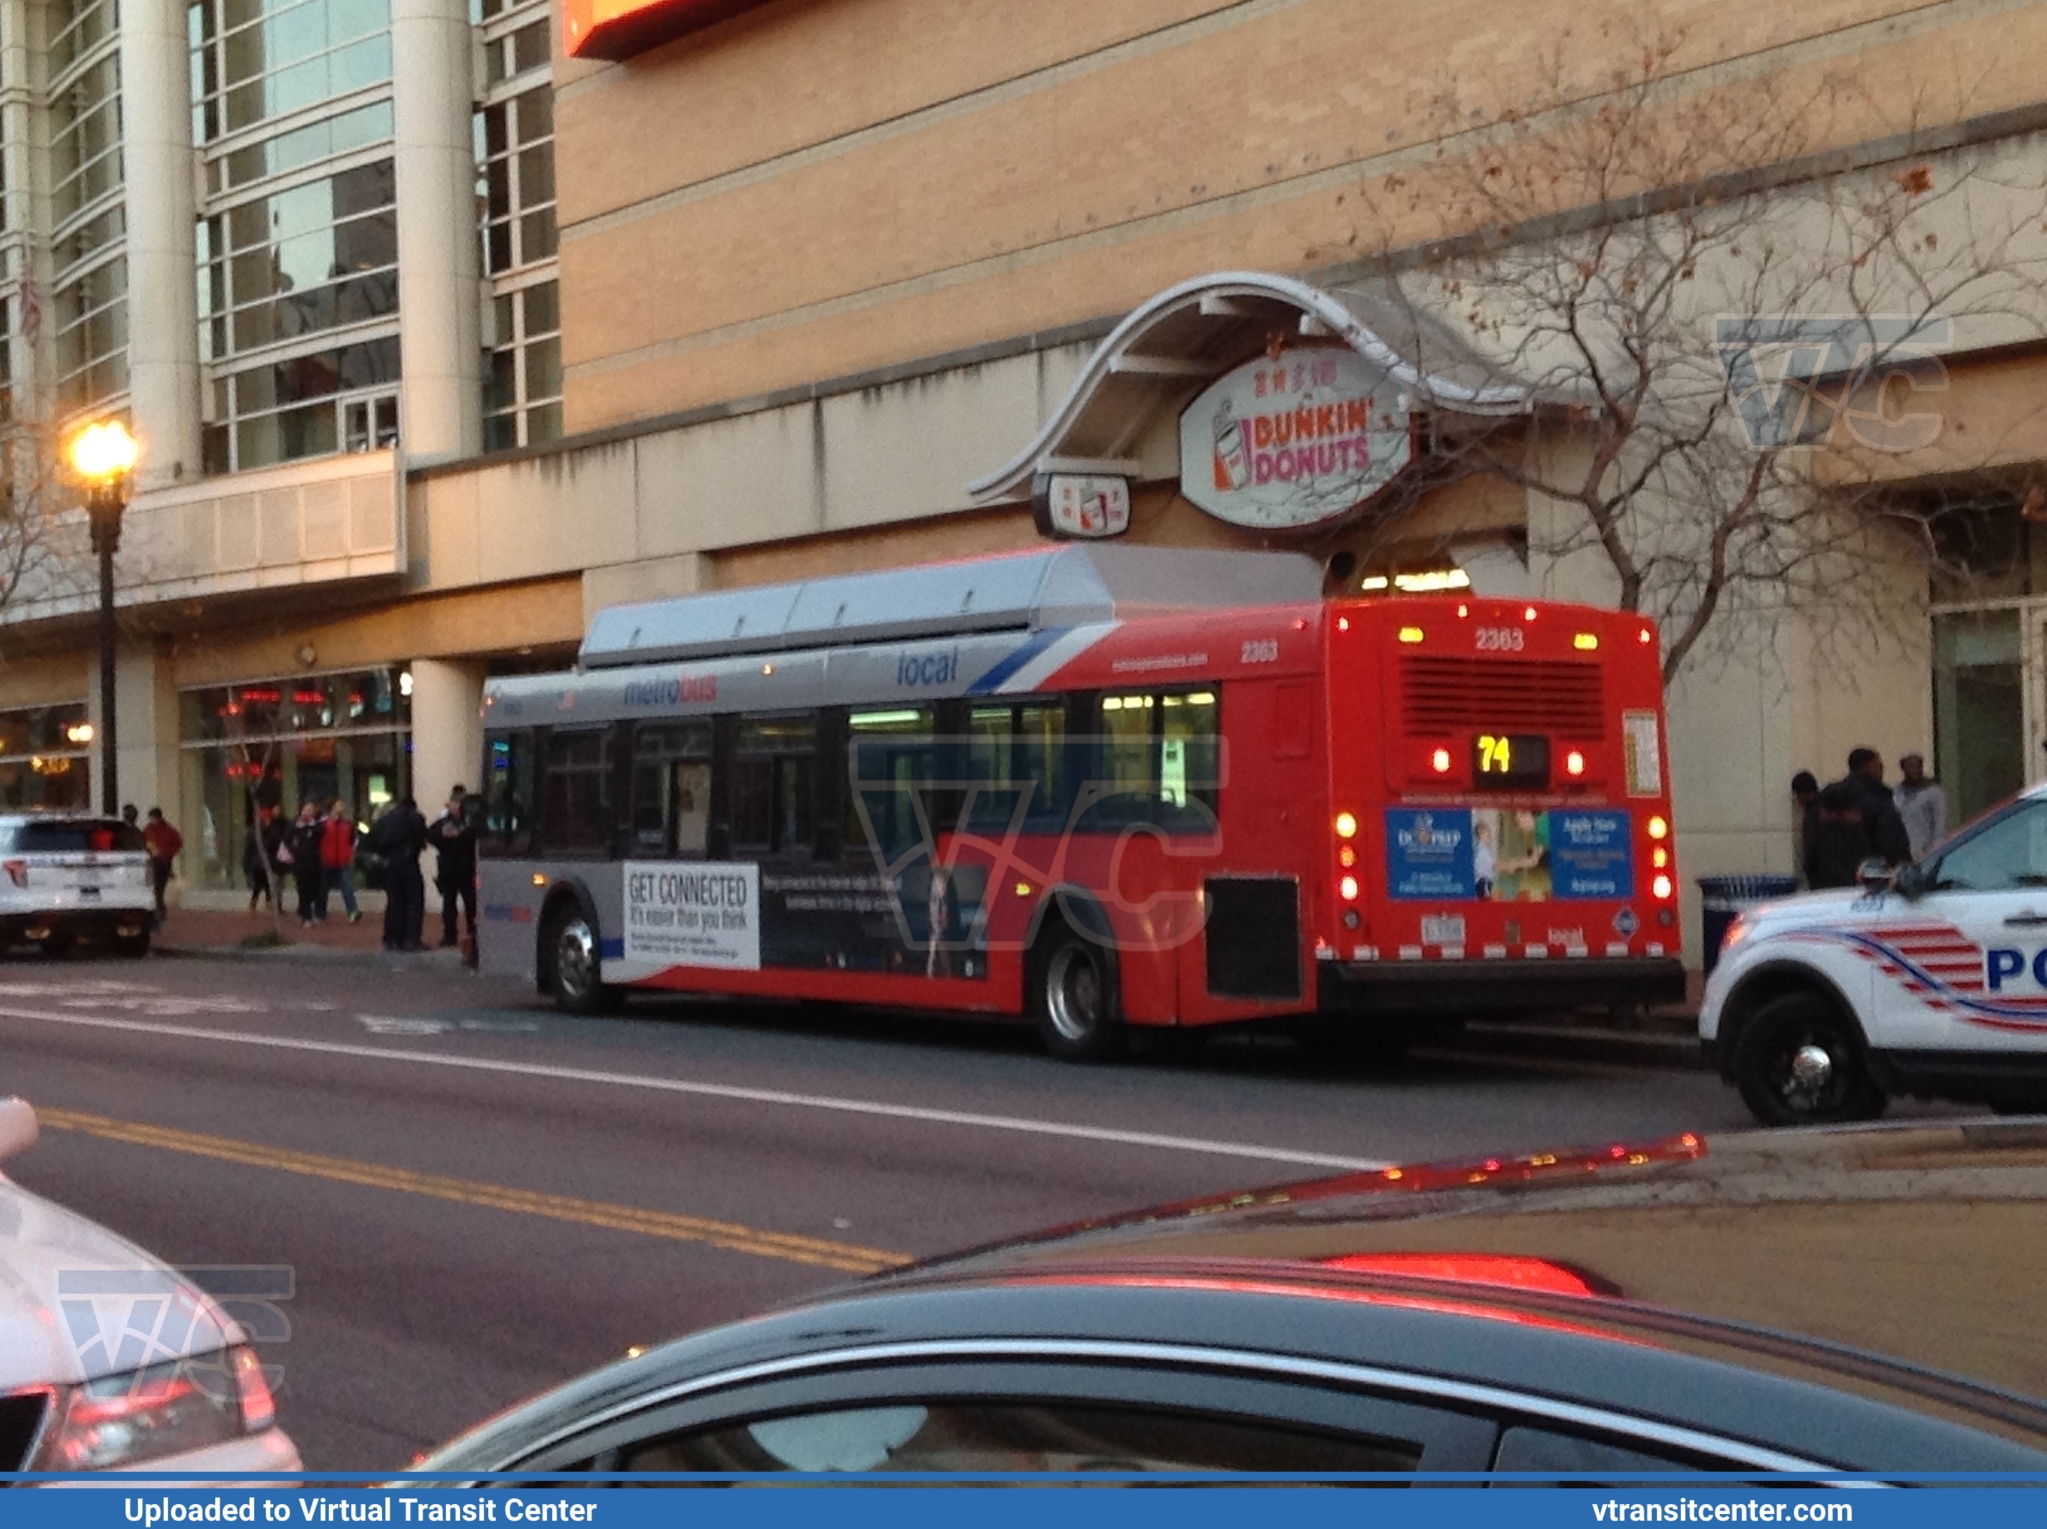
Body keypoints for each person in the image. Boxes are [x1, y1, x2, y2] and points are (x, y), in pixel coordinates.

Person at [1805, 747, 1912, 890]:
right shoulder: (1878, 800)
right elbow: (1894, 847)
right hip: (1869, 889)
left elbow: (1810, 850)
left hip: (1828, 889)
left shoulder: (1822, 803)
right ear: (1870, 767)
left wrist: (1816, 883)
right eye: (1879, 766)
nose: (1882, 771)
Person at [371, 797, 429, 952]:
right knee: (414, 900)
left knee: (394, 901)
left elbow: (373, 839)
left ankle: (391, 939)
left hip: (390, 863)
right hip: (407, 861)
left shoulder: (384, 820)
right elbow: (421, 838)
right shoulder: (414, 817)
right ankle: (411, 939)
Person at [426, 788, 477, 950]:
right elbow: (430, 834)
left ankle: (472, 932)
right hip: (448, 868)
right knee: (449, 903)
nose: (454, 807)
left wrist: (459, 836)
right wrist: (443, 835)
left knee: (470, 902)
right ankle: (450, 934)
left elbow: (476, 834)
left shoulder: (469, 821)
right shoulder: (443, 822)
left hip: (465, 867)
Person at [1894, 752, 1950, 860]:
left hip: (1926, 853)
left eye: (1918, 766)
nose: (1914, 770)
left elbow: (1940, 825)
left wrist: (1935, 851)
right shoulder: (1896, 793)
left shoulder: (1934, 793)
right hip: (1902, 853)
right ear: (1903, 768)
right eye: (1910, 767)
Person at [319, 799, 362, 923]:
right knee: (323, 889)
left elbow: (353, 841)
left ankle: (352, 912)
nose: (342, 807)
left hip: (343, 860)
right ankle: (320, 913)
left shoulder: (347, 824)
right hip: (327, 860)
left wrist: (351, 855)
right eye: (339, 805)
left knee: (347, 887)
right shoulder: (324, 823)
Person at [140, 808, 183, 928]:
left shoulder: (169, 830)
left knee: (159, 888)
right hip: (152, 861)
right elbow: (142, 842)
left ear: (158, 817)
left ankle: (159, 911)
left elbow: (178, 842)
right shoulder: (148, 830)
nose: (152, 820)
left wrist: (169, 853)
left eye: (153, 818)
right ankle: (158, 911)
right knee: (154, 888)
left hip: (164, 862)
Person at [285, 801, 325, 925]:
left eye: (310, 810)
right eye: (306, 809)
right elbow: (287, 840)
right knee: (303, 889)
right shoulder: (294, 825)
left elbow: (321, 833)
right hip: (299, 863)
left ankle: (303, 909)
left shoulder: (316, 826)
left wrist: (309, 825)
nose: (308, 812)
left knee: (315, 888)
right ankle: (306, 916)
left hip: (314, 862)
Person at [246, 806, 284, 912]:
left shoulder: (271, 831)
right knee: (259, 883)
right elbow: (251, 848)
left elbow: (275, 843)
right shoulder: (255, 832)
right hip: (259, 862)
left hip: (267, 860)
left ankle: (268, 902)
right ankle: (256, 902)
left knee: (267, 883)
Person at [1790, 771, 1820, 886]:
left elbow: (1811, 845)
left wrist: (1807, 868)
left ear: (1801, 794)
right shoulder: (1826, 807)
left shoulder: (1812, 814)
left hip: (1820, 874)